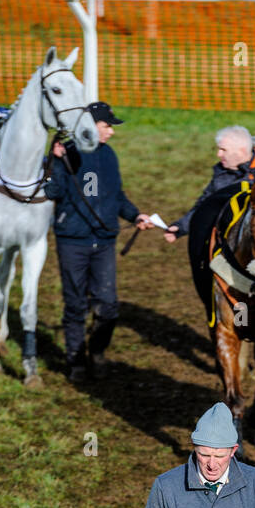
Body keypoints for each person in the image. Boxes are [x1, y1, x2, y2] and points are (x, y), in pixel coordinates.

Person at [45, 100, 151, 385]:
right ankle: (75, 360)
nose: (111, 133)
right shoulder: (64, 154)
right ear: (92, 126)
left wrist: (135, 214)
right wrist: (55, 161)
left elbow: (116, 196)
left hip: (103, 242)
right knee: (75, 303)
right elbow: (52, 191)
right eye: (107, 127)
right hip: (72, 241)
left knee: (108, 305)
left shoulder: (109, 156)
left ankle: (97, 351)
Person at [163, 125, 255, 244]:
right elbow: (205, 206)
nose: (218, 154)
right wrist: (180, 227)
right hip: (224, 244)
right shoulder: (222, 174)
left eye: (223, 150)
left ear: (241, 151)